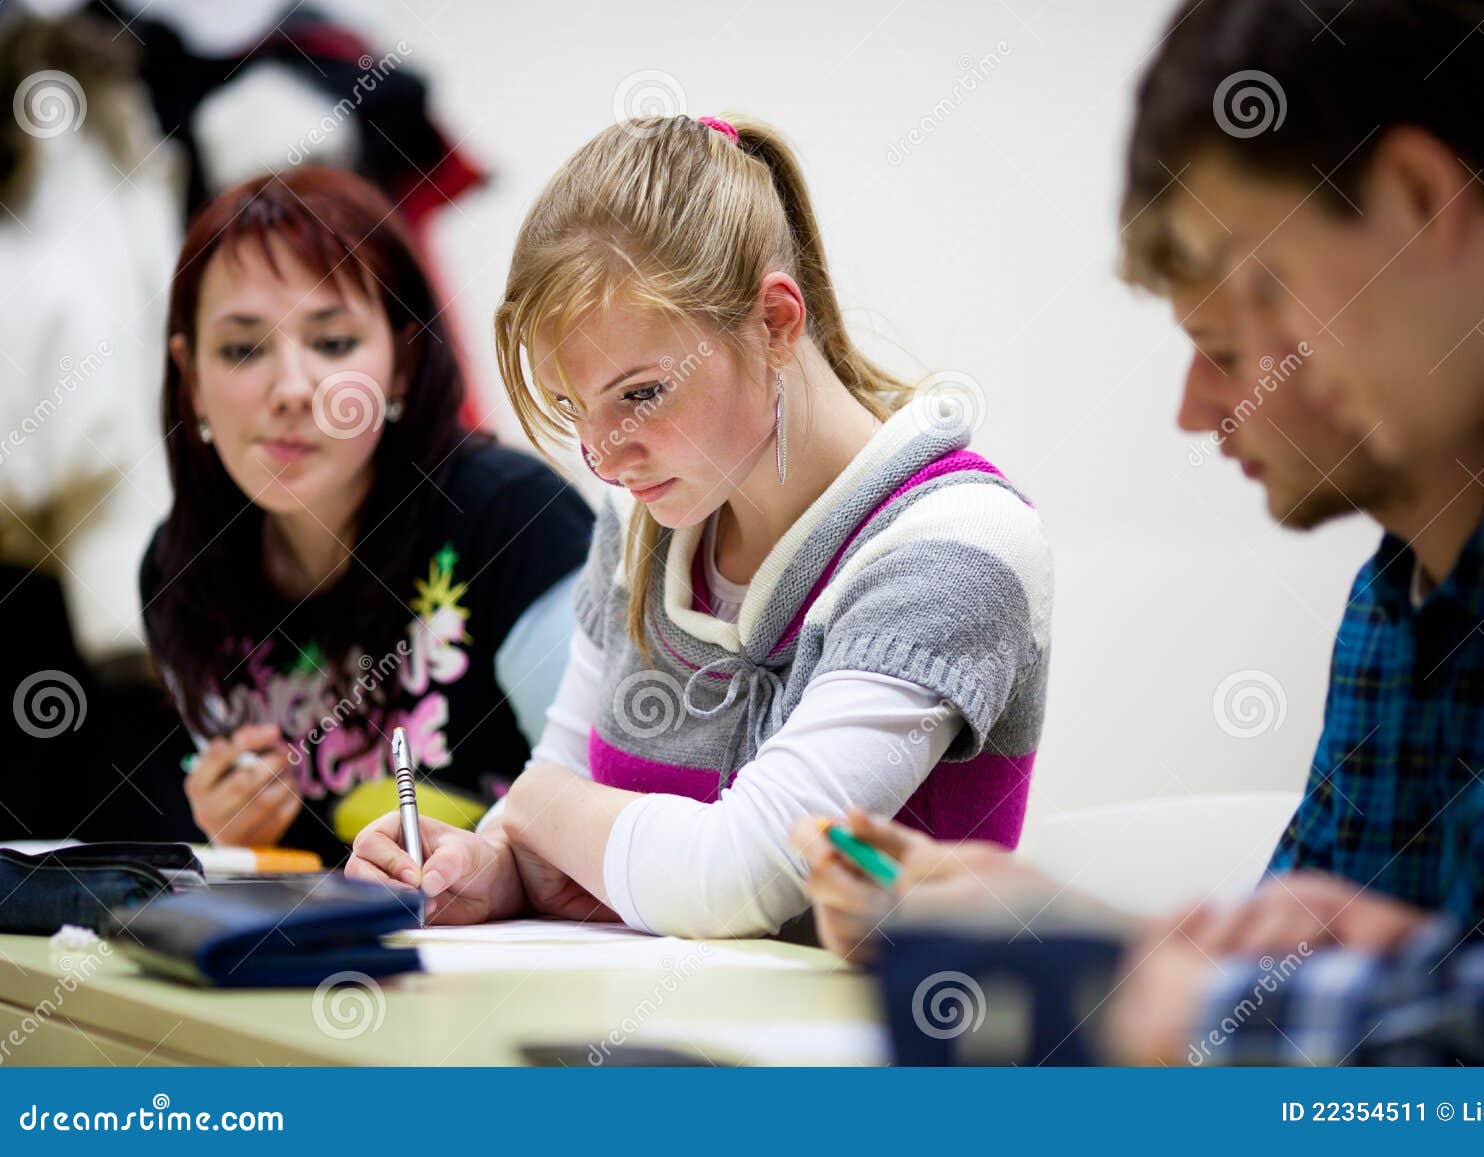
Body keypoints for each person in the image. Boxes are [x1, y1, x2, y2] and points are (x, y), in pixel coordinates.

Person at [346, 114, 1053, 937]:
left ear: (777, 322)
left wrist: (532, 811)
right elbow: (561, 797)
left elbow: (738, 877)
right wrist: (491, 865)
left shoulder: (958, 544)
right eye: (576, 408)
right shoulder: (639, 512)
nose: (604, 457)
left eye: (642, 393)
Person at [790, 205, 1484, 963]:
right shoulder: (1390, 599)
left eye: (1227, 353)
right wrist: (1031, 918)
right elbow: (1291, 987)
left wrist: (1116, 968)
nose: (1188, 412)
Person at [1108, 0, 1484, 1065]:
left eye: (1269, 289)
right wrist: (1422, 957)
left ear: (1421, 198)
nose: (1281, 362)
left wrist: (1164, 1010)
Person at [142, 167, 592, 864]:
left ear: (403, 363)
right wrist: (232, 832)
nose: (292, 389)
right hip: (314, 962)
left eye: (332, 342)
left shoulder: (512, 518)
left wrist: (495, 868)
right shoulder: (179, 570)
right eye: (242, 349)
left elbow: (608, 798)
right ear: (193, 380)